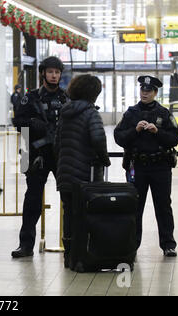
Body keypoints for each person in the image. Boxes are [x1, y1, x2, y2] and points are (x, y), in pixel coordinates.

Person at [114, 75, 178, 257]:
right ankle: (132, 245)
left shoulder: (164, 114)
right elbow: (119, 137)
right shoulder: (131, 113)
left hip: (160, 166)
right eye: (143, 90)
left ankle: (168, 244)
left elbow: (175, 138)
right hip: (137, 167)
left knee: (163, 206)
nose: (145, 93)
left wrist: (157, 131)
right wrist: (135, 130)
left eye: (149, 91)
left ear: (155, 93)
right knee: (135, 206)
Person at [11, 56, 69, 258]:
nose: (54, 75)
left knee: (69, 200)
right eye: (51, 72)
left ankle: (70, 242)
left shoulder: (66, 98)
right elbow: (17, 121)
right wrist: (33, 124)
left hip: (61, 154)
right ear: (43, 73)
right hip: (37, 155)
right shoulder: (31, 97)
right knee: (32, 200)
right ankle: (26, 245)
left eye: (57, 72)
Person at [54, 74, 111, 267]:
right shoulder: (91, 113)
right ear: (93, 94)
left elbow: (57, 143)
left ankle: (68, 256)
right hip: (85, 174)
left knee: (68, 214)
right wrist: (105, 159)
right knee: (84, 215)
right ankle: (81, 257)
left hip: (65, 174)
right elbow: (97, 139)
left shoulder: (64, 112)